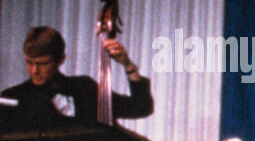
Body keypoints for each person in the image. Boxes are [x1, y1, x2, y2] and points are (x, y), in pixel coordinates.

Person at [2, 26, 152, 126]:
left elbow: (141, 108)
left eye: (43, 63)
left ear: (60, 60)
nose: (34, 70)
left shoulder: (84, 89)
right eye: (29, 62)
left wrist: (129, 67)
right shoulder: (12, 97)